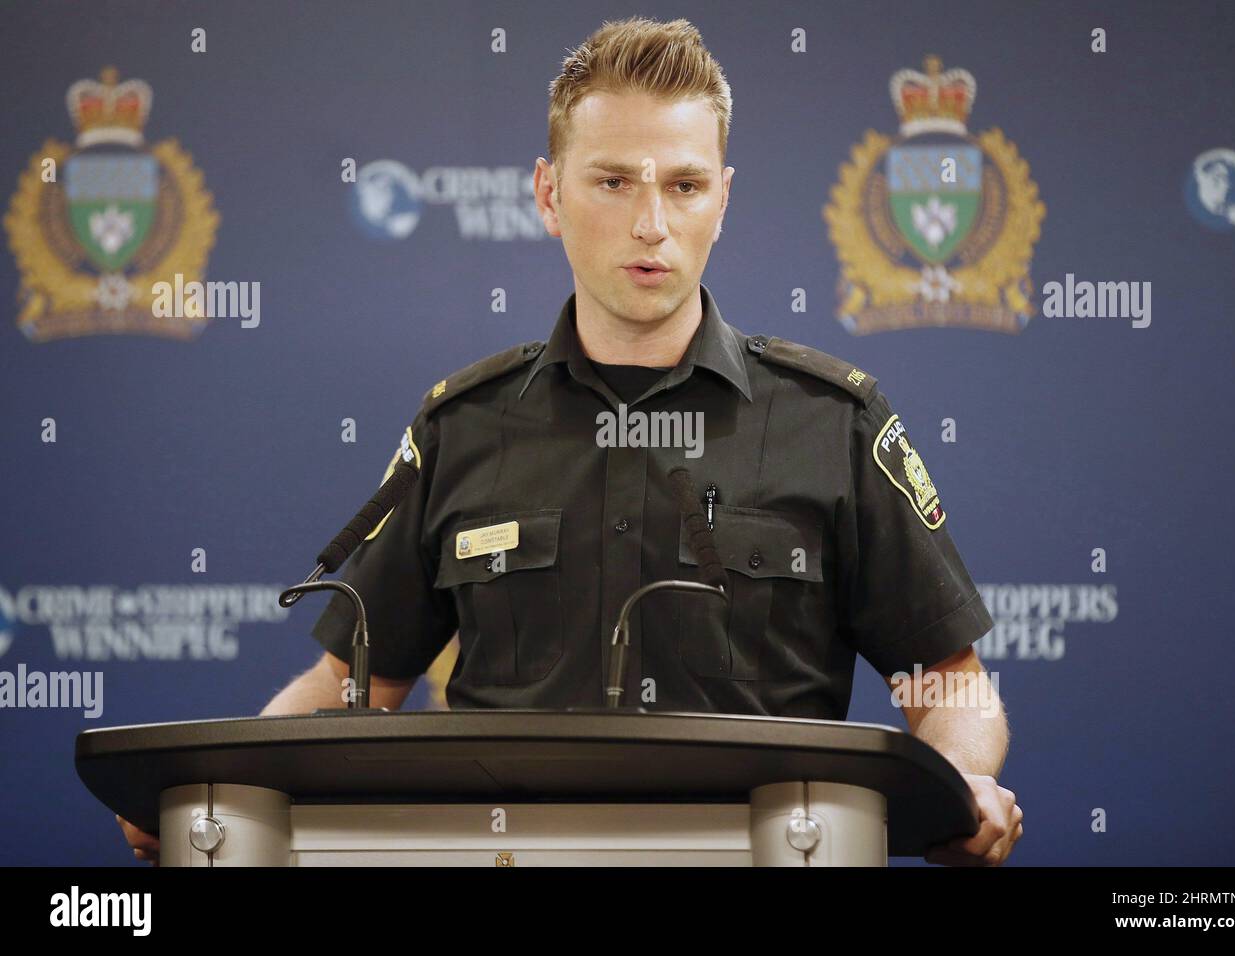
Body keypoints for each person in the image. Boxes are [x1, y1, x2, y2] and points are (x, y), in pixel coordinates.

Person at [121, 16, 1021, 867]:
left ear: (724, 200)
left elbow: (949, 681)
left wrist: (964, 781)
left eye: (684, 184)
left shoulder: (833, 421)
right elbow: (350, 686)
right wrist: (215, 794)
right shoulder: (461, 430)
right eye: (614, 181)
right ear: (550, 195)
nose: (651, 225)